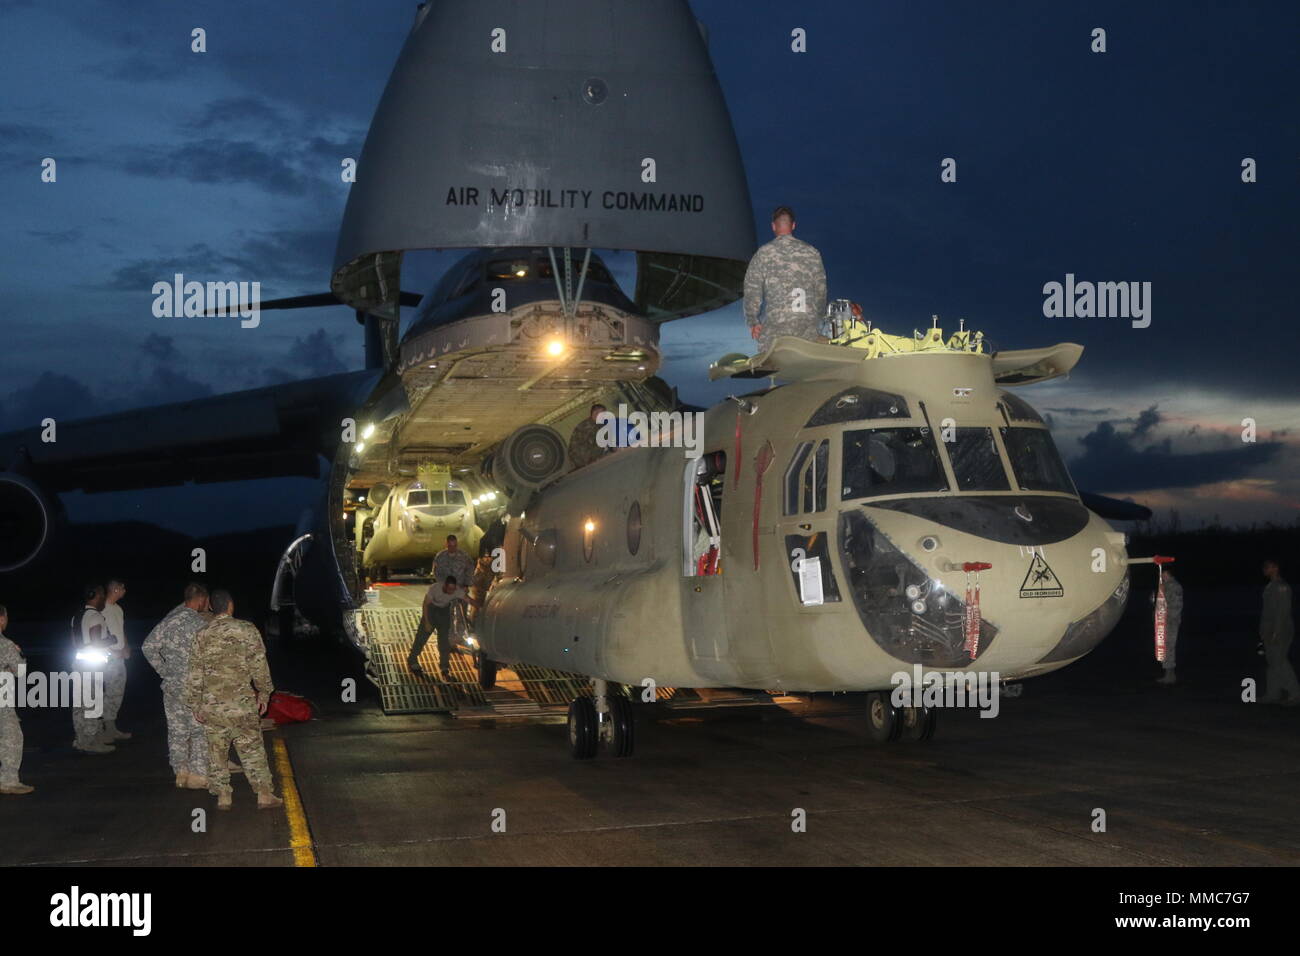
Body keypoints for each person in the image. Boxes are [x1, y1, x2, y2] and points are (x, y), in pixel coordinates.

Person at [183, 589, 282, 810]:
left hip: (213, 707)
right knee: (252, 749)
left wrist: (195, 703)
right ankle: (264, 795)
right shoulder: (247, 630)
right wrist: (264, 692)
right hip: (242, 704)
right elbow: (259, 664)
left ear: (211, 607)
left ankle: (223, 797)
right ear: (230, 605)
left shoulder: (202, 634)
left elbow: (194, 673)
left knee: (217, 752)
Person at [142, 582, 212, 789]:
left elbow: (148, 646)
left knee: (176, 730)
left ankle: (180, 772)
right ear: (200, 599)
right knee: (200, 730)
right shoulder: (200, 624)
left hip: (172, 687)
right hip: (195, 687)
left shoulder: (168, 622)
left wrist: (164, 670)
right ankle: (198, 776)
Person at [743, 205, 828, 352]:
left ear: (773, 226)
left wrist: (753, 322)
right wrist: (818, 318)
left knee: (768, 355)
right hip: (807, 329)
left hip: (777, 330)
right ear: (793, 225)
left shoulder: (763, 253)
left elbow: (752, 291)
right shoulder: (812, 252)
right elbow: (821, 291)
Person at [71, 584, 115, 754]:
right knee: (92, 704)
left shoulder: (76, 616)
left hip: (78, 663)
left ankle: (80, 740)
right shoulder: (96, 617)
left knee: (79, 705)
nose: (104, 598)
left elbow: (74, 643)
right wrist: (111, 639)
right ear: (96, 596)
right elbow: (97, 642)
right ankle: (92, 742)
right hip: (92, 666)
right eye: (103, 594)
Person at [0, 604, 34, 795]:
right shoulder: (4, 643)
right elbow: (20, 671)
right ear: (2, 618)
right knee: (12, 736)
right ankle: (8, 780)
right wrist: (18, 652)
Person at [408, 575, 468, 681]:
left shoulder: (456, 591)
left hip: (444, 612)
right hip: (431, 611)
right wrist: (426, 622)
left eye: (453, 589)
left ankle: (444, 666)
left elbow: (469, 600)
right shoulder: (435, 588)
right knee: (421, 637)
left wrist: (482, 607)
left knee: (444, 641)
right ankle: (412, 659)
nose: (451, 591)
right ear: (444, 586)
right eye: (449, 589)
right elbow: (425, 604)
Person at [1259, 559, 1299, 706]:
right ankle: (1272, 693)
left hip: (1280, 631)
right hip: (1269, 630)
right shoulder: (1270, 586)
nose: (1264, 570)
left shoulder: (1281, 587)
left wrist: (1276, 631)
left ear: (1275, 568)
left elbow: (1283, 612)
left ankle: (1295, 693)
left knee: (1279, 661)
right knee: (1272, 662)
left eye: (1267, 567)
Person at [99, 579, 132, 741]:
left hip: (119, 656)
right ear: (115, 589)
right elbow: (99, 634)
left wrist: (126, 646)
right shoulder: (101, 608)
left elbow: (121, 629)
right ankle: (105, 729)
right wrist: (112, 651)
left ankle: (111, 728)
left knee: (117, 691)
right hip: (107, 657)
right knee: (109, 692)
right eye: (122, 587)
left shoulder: (118, 609)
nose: (125, 590)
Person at [1155, 567, 1183, 685]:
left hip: (1171, 621)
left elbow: (1176, 606)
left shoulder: (1174, 586)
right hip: (1164, 621)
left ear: (1169, 574)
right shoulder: (1166, 586)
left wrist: (1167, 619)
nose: (1162, 577)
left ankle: (1170, 675)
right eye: (1162, 575)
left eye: (1164, 575)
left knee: (1169, 646)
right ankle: (1168, 674)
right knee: (1164, 646)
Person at [568, 403, 611, 470]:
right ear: (595, 414)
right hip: (582, 458)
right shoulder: (588, 426)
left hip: (583, 457)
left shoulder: (595, 424)